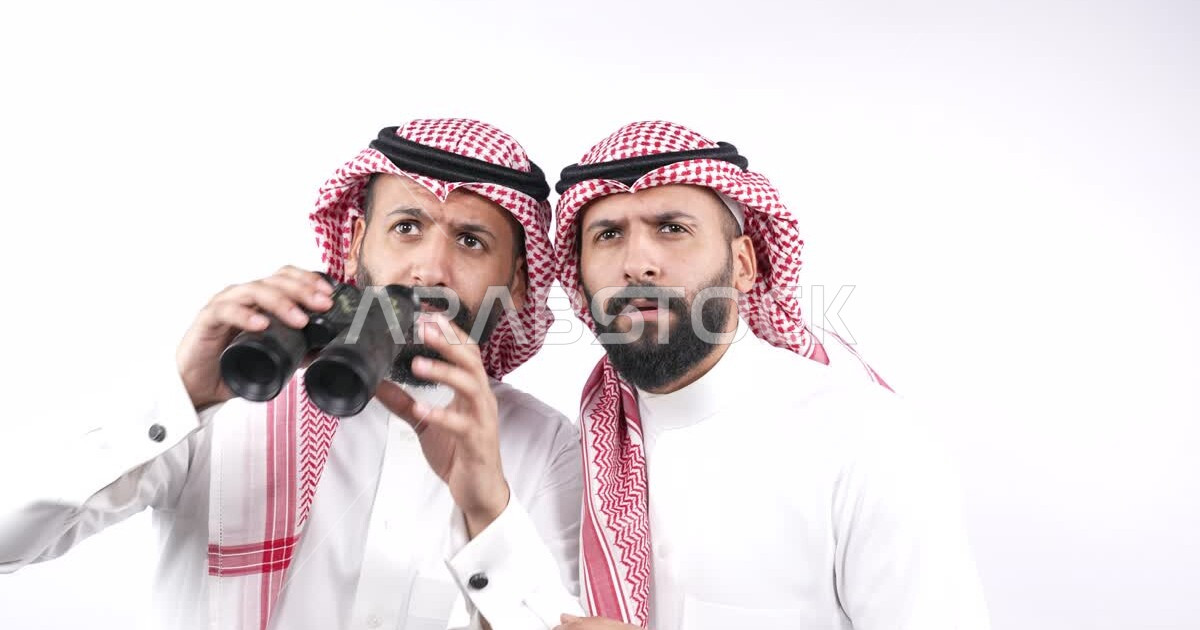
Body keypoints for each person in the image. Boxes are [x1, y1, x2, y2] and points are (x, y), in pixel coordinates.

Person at [0, 118, 586, 630]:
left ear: (513, 284)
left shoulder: (545, 446)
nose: (430, 269)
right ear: (357, 242)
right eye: (406, 227)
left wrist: (489, 511)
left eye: (470, 241)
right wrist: (178, 398)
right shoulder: (232, 396)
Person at [549, 121, 991, 630]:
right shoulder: (575, 445)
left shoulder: (864, 439)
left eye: (672, 228)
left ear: (742, 264)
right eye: (608, 235)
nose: (637, 264)